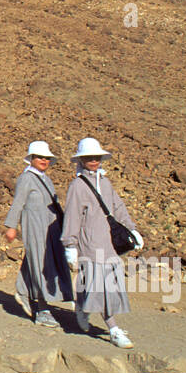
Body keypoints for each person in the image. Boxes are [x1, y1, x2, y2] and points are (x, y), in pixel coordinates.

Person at [62, 137, 144, 348]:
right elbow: (71, 217)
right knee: (102, 287)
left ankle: (81, 306)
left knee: (99, 284)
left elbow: (118, 208)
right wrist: (70, 245)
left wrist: (132, 228)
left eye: (96, 157)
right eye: (89, 157)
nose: (93, 160)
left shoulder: (105, 183)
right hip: (90, 245)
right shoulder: (77, 187)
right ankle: (113, 329)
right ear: (81, 160)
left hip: (109, 244)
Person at [3, 140, 73, 326]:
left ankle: (23, 291)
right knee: (41, 263)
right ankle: (42, 309)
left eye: (47, 158)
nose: (44, 160)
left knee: (37, 259)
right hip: (35, 226)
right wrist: (11, 226)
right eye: (40, 157)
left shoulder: (45, 179)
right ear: (31, 158)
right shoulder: (26, 179)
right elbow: (18, 203)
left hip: (51, 228)